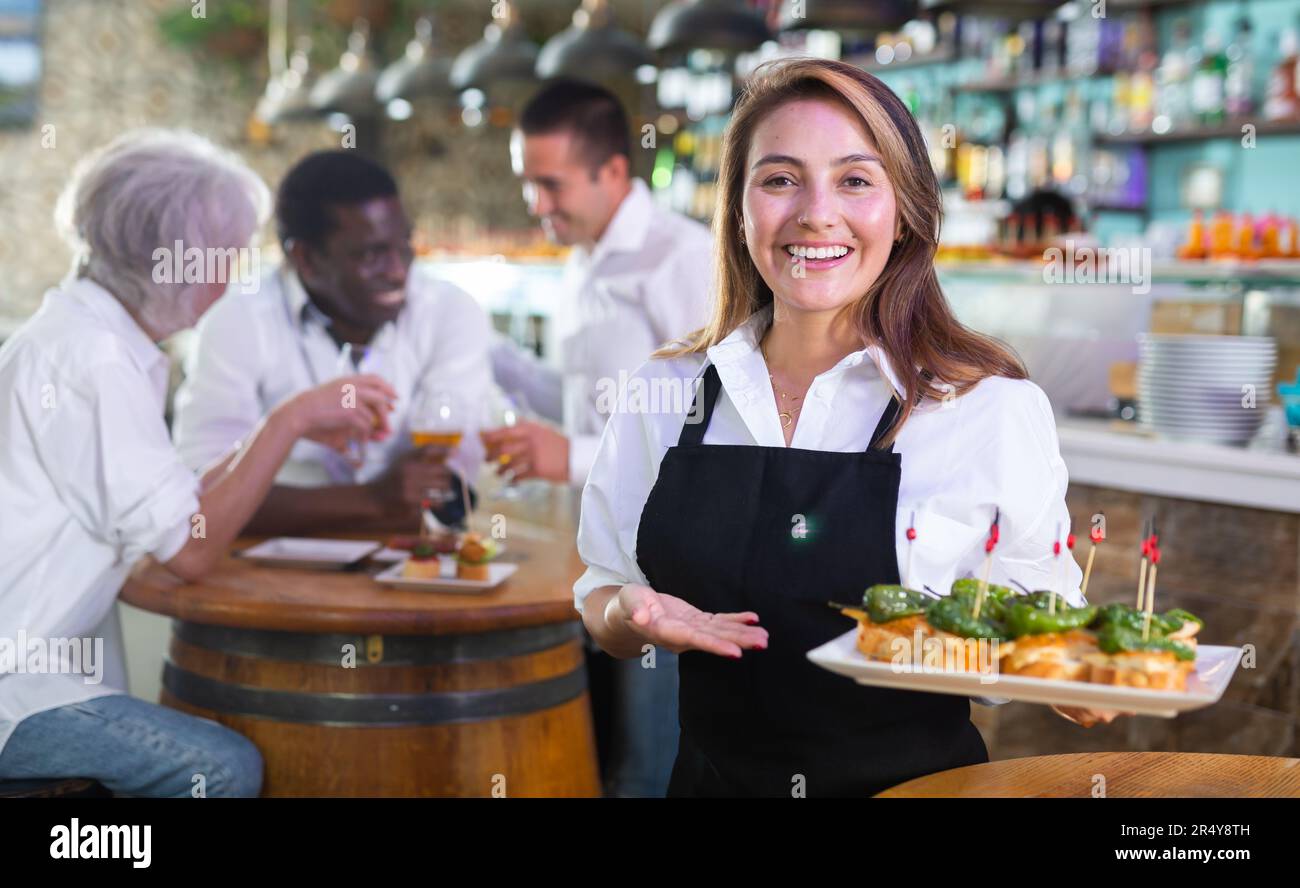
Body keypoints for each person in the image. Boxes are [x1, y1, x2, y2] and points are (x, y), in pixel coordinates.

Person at [574, 58, 1123, 799]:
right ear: (738, 210)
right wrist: (631, 615)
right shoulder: (664, 392)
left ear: (906, 213)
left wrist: (1074, 678)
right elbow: (603, 596)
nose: (815, 213)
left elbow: (1042, 640)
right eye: (779, 180)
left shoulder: (991, 410)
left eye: (855, 181)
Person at [0, 129, 395, 796]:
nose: (236, 277)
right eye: (230, 257)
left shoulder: (93, 338)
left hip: (36, 665)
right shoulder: (92, 361)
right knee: (219, 767)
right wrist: (289, 420)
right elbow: (188, 548)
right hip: (15, 683)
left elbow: (173, 508)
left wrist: (281, 434)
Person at [482, 80, 713, 798]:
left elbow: (713, 416)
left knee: (649, 768)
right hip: (599, 553)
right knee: (607, 755)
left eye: (549, 184)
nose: (536, 204)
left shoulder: (681, 257)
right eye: (528, 184)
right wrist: (494, 358)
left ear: (613, 171)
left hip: (668, 562)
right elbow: (595, 400)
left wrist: (571, 455)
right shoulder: (584, 255)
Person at [173, 151, 492, 535]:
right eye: (371, 254)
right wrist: (372, 501)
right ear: (305, 259)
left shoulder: (448, 311)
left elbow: (445, 484)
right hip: (263, 573)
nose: (397, 271)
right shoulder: (237, 320)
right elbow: (202, 497)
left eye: (403, 244)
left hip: (407, 566)